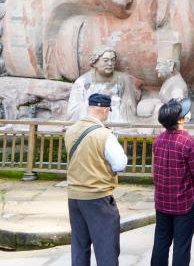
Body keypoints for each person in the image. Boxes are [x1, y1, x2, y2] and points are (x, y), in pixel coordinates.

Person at [64, 93, 128, 266]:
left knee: (79, 246)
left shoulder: (70, 131)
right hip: (98, 198)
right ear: (106, 111)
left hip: (74, 196)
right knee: (106, 247)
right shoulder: (104, 135)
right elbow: (120, 164)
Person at [151, 98, 194, 266]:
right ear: (179, 120)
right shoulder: (187, 142)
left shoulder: (158, 140)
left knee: (161, 241)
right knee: (182, 245)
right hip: (184, 203)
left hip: (162, 202)